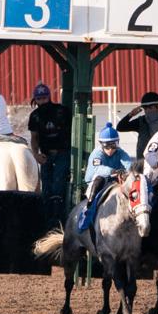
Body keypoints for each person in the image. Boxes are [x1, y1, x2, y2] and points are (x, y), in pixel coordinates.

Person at [27, 83, 71, 228]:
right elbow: (34, 138)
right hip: (45, 155)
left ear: (49, 97)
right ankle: (47, 224)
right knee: (47, 191)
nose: (43, 101)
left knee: (58, 189)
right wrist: (35, 155)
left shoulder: (62, 111)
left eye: (45, 98)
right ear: (35, 100)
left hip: (62, 154)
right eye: (39, 99)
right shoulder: (34, 116)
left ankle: (60, 223)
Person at [78, 123, 133, 232]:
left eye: (113, 145)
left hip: (113, 180)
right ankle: (88, 209)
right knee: (99, 179)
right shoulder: (96, 154)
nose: (111, 149)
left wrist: (129, 172)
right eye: (107, 146)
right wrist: (113, 171)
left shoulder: (120, 152)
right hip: (96, 181)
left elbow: (128, 164)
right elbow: (98, 169)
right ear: (101, 145)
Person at [116, 91, 158, 159]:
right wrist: (131, 114)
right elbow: (120, 127)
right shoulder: (140, 121)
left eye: (150, 108)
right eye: (145, 108)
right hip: (143, 162)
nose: (147, 111)